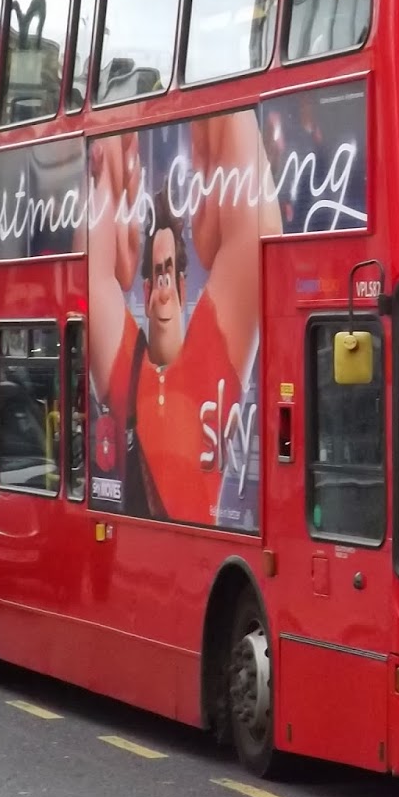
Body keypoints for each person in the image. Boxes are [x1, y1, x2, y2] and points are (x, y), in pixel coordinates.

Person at [87, 113, 281, 527]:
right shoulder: (126, 368)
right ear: (143, 290)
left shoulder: (210, 354)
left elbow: (257, 237)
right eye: (155, 274)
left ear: (183, 282)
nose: (162, 287)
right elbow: (92, 275)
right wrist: (109, 174)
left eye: (169, 272)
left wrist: (206, 139)